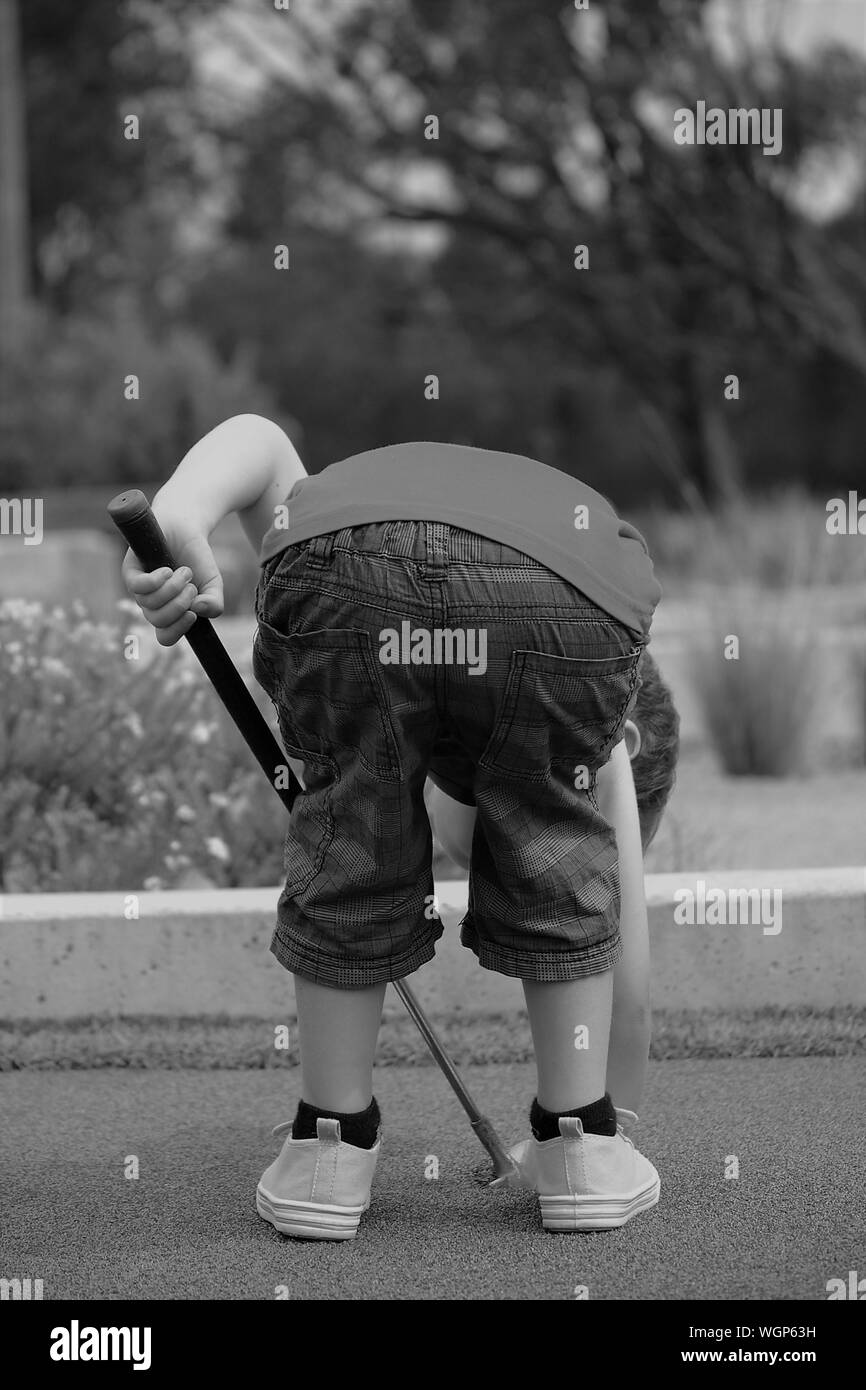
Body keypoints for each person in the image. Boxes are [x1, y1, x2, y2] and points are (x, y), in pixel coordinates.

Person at [121, 413, 677, 1240]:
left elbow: (257, 436)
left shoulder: (332, 493)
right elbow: (618, 949)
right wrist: (616, 1120)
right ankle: (580, 1145)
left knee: (353, 838)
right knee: (558, 861)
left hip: (345, 570)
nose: (464, 857)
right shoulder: (615, 727)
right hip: (559, 593)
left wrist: (180, 516)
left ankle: (327, 1155)